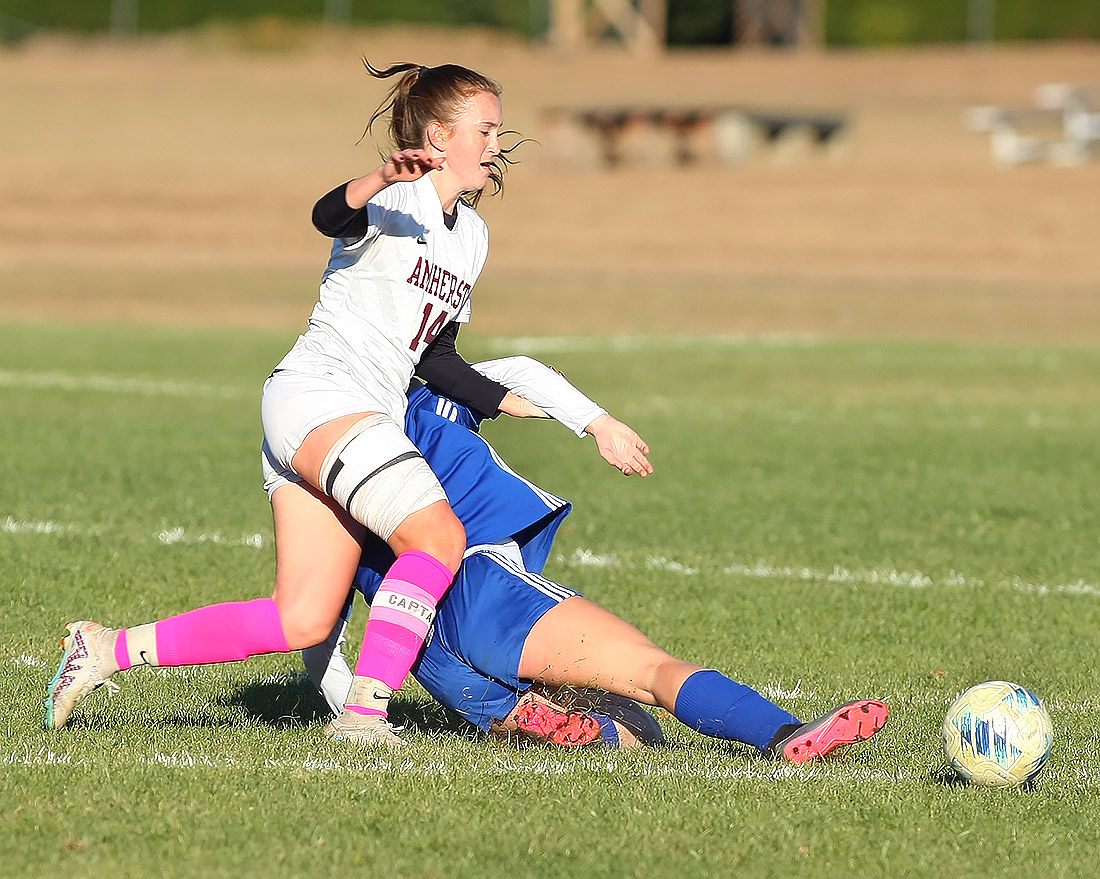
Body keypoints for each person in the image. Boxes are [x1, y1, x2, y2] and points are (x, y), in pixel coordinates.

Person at [44, 61, 652, 746]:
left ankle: (102, 648)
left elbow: (437, 359)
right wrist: (382, 179)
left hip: (342, 416)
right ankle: (365, 714)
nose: (495, 143)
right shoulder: (399, 197)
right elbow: (326, 213)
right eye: (484, 129)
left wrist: (522, 402)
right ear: (440, 133)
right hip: (323, 393)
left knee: (301, 617)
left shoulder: (472, 238)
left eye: (497, 130)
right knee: (438, 537)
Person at [304, 361, 890, 761]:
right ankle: (785, 732)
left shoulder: (323, 461)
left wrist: (351, 707)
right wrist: (597, 423)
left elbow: (315, 618)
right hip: (483, 590)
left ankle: (556, 723)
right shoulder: (430, 390)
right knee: (650, 673)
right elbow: (525, 371)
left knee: (636, 731)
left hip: (422, 654)